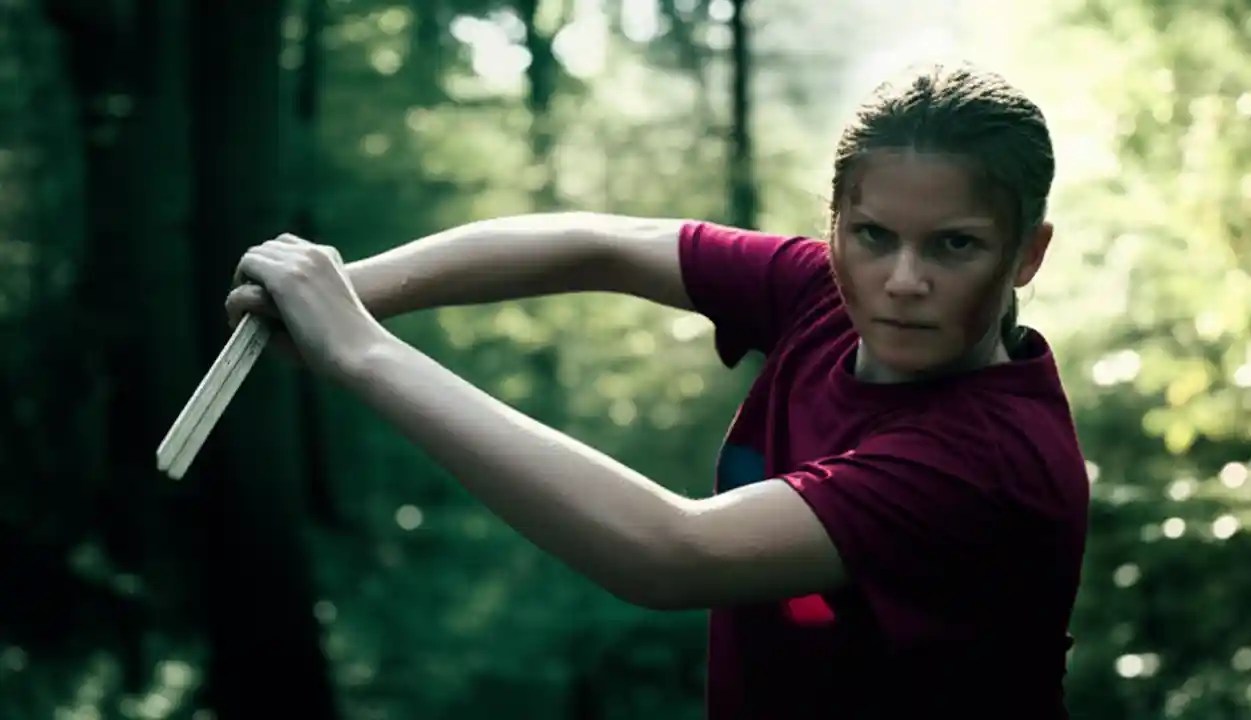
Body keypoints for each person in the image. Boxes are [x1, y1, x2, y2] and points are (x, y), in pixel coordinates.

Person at [224, 62, 1090, 718]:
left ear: (1028, 253)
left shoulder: (988, 462)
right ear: (833, 226)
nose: (902, 279)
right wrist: (348, 291)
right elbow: (600, 245)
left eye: (954, 245)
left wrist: (359, 350)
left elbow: (672, 553)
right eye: (872, 235)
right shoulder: (822, 295)